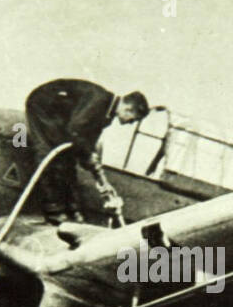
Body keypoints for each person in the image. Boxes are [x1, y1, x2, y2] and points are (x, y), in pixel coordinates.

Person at [24, 79, 149, 224]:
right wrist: (87, 154)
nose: (130, 123)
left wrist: (90, 158)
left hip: (60, 116)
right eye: (133, 119)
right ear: (128, 108)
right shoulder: (99, 102)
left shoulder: (107, 113)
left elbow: (88, 139)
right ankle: (55, 212)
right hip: (43, 107)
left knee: (68, 159)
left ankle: (71, 210)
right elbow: (75, 130)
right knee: (51, 157)